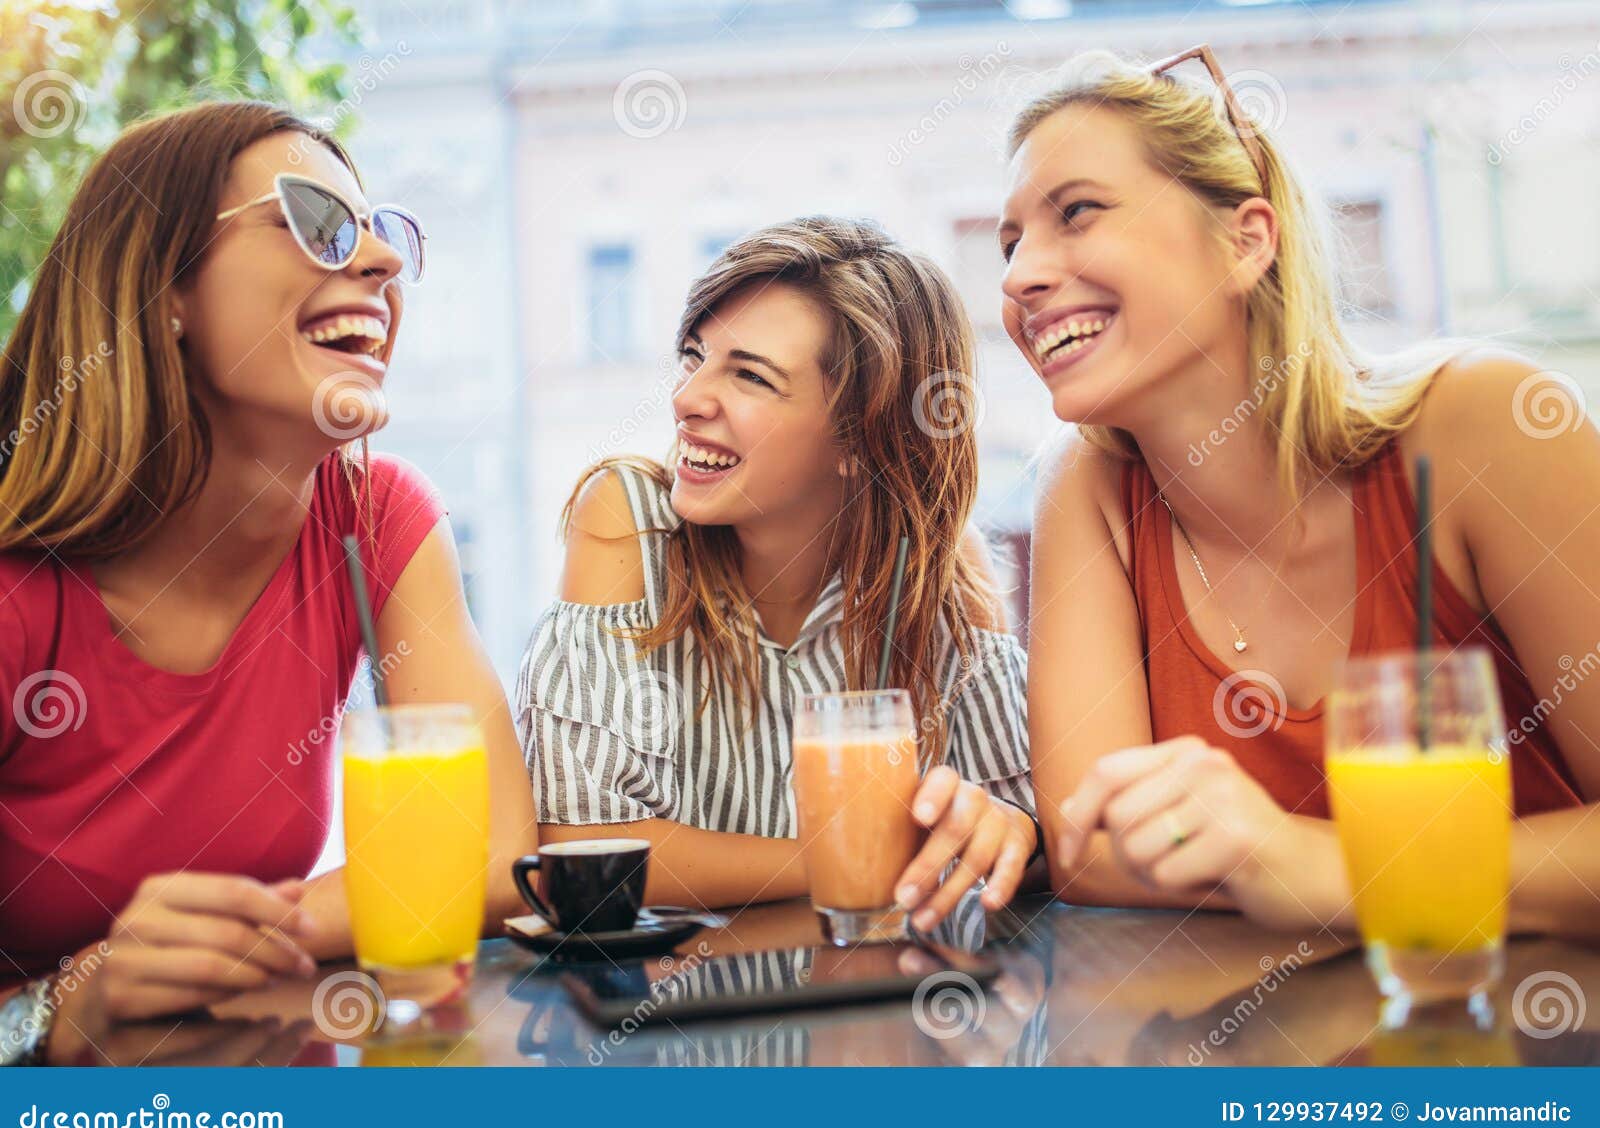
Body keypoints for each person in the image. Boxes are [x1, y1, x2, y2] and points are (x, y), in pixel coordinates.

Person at [1005, 49, 1600, 930]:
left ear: (1247, 240)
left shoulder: (1487, 423)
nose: (1019, 277)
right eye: (1011, 243)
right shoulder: (1088, 487)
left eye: (1078, 212)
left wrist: (1329, 868)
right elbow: (1091, 849)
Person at [0, 102, 537, 1064]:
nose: (378, 262)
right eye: (316, 219)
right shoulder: (15, 592)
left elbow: (495, 851)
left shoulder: (373, 521)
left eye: (383, 234)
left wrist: (218, 947)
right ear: (164, 287)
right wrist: (60, 1006)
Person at [517, 217, 1041, 933]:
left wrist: (1005, 830)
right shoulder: (629, 524)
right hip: (678, 1020)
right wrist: (852, 858)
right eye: (694, 357)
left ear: (862, 438)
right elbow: (582, 844)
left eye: (749, 376)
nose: (687, 398)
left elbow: (1023, 823)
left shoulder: (937, 573)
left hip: (874, 1013)